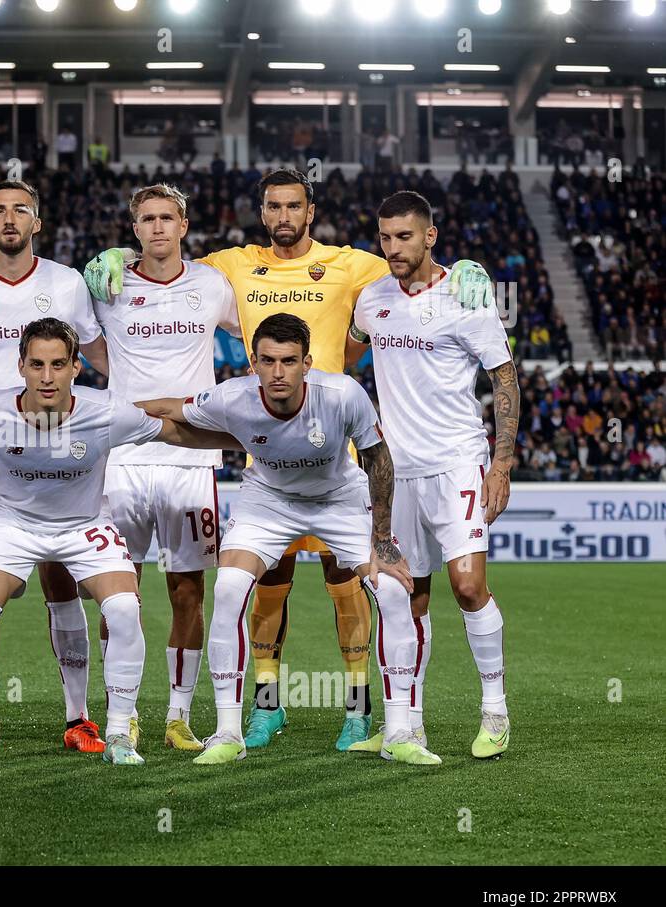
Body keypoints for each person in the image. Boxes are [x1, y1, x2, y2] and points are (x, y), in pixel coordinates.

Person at [83, 166, 493, 753]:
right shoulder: (232, 264)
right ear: (262, 211)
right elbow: (169, 260)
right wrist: (119, 252)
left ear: (311, 209)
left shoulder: (353, 264)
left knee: (348, 586)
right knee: (263, 584)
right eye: (272, 206)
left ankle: (357, 710)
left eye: (293, 206)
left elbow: (417, 267)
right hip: (268, 455)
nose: (282, 216)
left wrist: (465, 270)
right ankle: (266, 707)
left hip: (336, 445)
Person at [0, 318, 237, 767]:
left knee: (125, 608)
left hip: (85, 527)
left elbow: (176, 433)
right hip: (14, 527)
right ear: (21, 366)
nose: (47, 376)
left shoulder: (105, 412)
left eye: (58, 364)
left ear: (77, 367)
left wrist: (253, 440)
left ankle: (118, 734)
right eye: (37, 364)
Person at [143, 313, 439, 765]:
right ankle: (227, 732)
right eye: (267, 361)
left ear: (308, 362)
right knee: (227, 587)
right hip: (269, 500)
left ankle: (400, 731)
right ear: (253, 364)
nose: (277, 372)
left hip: (339, 498)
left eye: (288, 361)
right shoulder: (232, 397)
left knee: (394, 591)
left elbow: (379, 459)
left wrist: (381, 537)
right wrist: (101, 414)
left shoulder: (342, 394)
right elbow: (169, 410)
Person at [0, 179, 111, 752]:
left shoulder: (66, 283)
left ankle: (78, 716)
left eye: (21, 211)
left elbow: (104, 357)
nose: (9, 219)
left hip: (57, 452)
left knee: (62, 582)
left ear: (38, 222)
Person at [346, 190, 517, 758]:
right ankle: (406, 724)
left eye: (404, 237)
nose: (393, 247)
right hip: (396, 474)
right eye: (385, 237)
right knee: (406, 596)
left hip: (457, 463)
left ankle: (495, 711)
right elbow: (341, 352)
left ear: (430, 237)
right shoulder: (371, 300)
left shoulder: (468, 297)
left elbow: (505, 378)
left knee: (468, 587)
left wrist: (501, 464)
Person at [90, 183, 240, 751]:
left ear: (184, 225)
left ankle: (178, 715)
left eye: (166, 218)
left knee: (187, 593)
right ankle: (120, 713)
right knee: (116, 594)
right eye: (146, 219)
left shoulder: (211, 285)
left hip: (191, 458)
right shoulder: (107, 285)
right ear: (134, 230)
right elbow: (56, 318)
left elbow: (260, 320)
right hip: (123, 460)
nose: (157, 228)